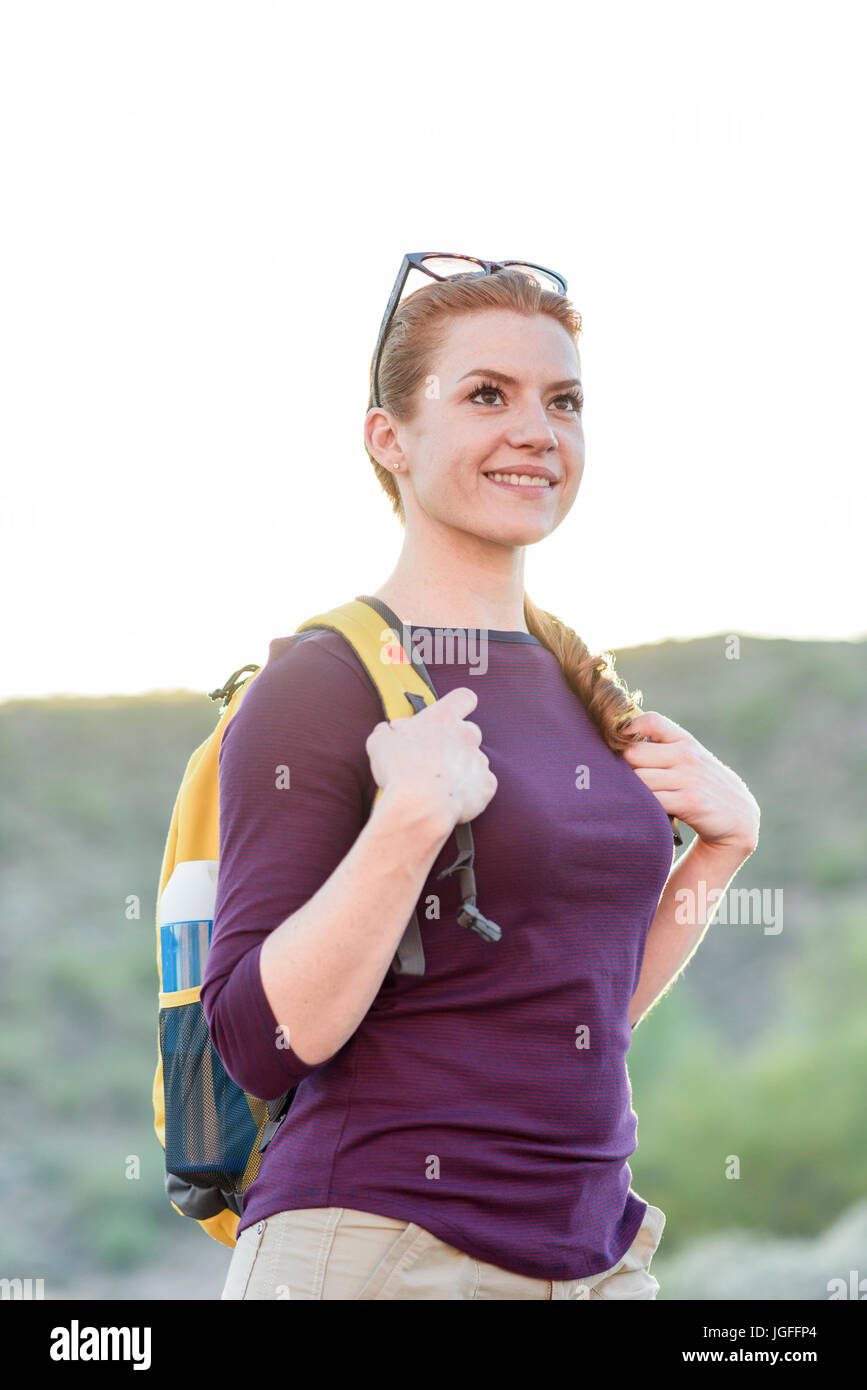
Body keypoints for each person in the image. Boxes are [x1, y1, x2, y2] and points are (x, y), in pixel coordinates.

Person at [203, 255, 760, 1300]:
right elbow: (260, 1043)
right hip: (380, 1254)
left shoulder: (579, 682)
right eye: (486, 396)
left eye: (563, 401)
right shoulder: (324, 681)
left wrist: (723, 853)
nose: (536, 431)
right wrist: (405, 822)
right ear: (390, 438)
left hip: (594, 1259)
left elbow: (581, 1008)